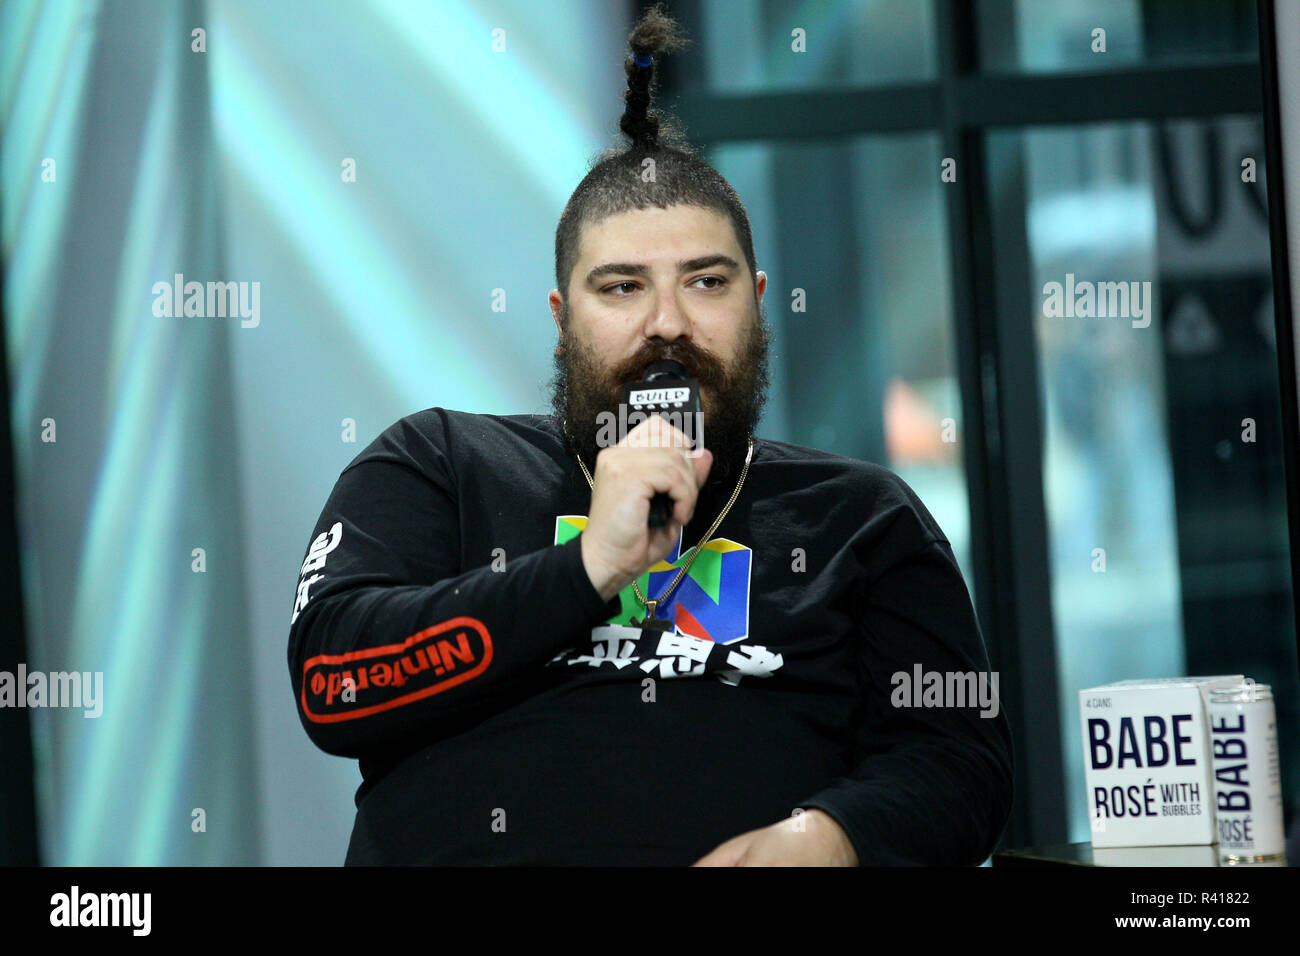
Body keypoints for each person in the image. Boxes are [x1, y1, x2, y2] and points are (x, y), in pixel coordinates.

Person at [287, 4, 1013, 866]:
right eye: (622, 288)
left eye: (706, 282)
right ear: (563, 320)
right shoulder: (439, 464)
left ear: (759, 301)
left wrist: (831, 837)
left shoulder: (862, 517)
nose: (667, 323)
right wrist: (589, 568)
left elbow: (962, 762)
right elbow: (335, 686)